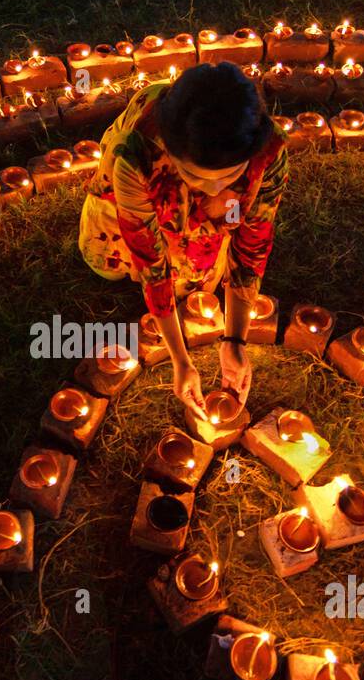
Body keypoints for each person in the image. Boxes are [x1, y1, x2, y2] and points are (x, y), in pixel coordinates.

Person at [78, 61, 290, 418]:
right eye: (195, 176)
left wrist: (235, 340)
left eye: (229, 176)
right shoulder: (136, 156)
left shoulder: (269, 153)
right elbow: (150, 262)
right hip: (141, 189)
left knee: (197, 281)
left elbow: (252, 246)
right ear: (169, 149)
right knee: (110, 265)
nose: (210, 190)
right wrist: (180, 359)